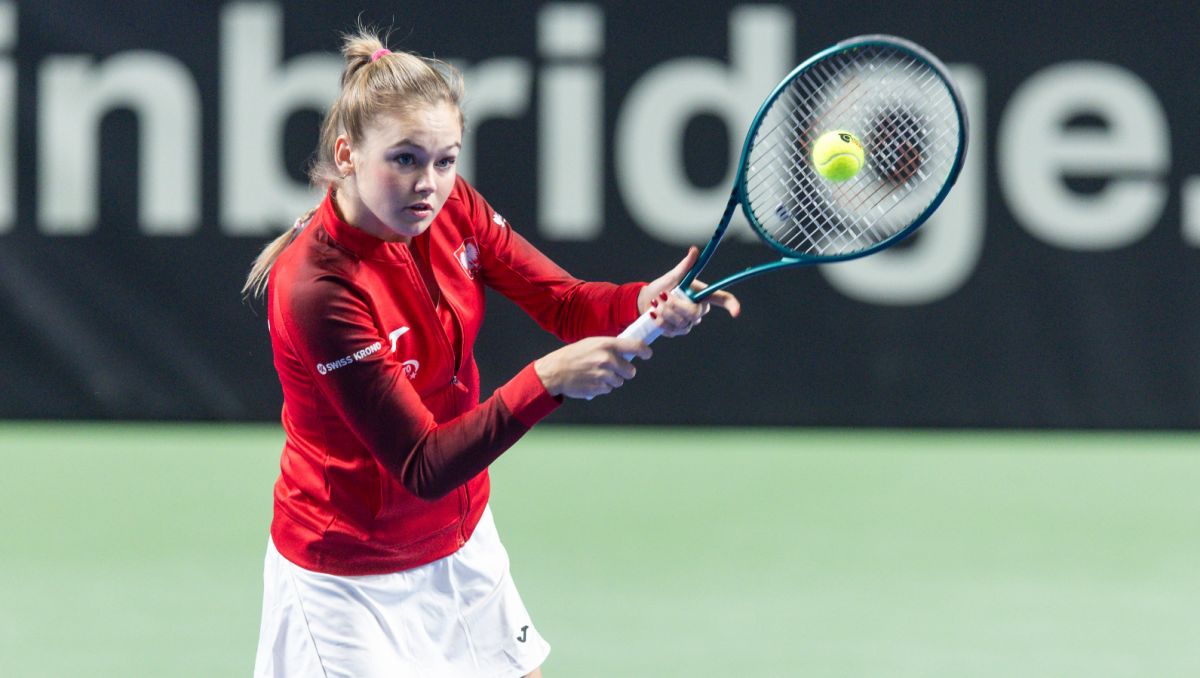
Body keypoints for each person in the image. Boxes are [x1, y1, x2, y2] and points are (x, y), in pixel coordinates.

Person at [244, 28, 739, 678]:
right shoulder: (318, 288)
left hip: (460, 544)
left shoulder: (452, 210)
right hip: (348, 582)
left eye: (445, 161)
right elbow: (422, 464)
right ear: (347, 154)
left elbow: (564, 302)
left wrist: (644, 299)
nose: (428, 184)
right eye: (404, 159)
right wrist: (547, 380)